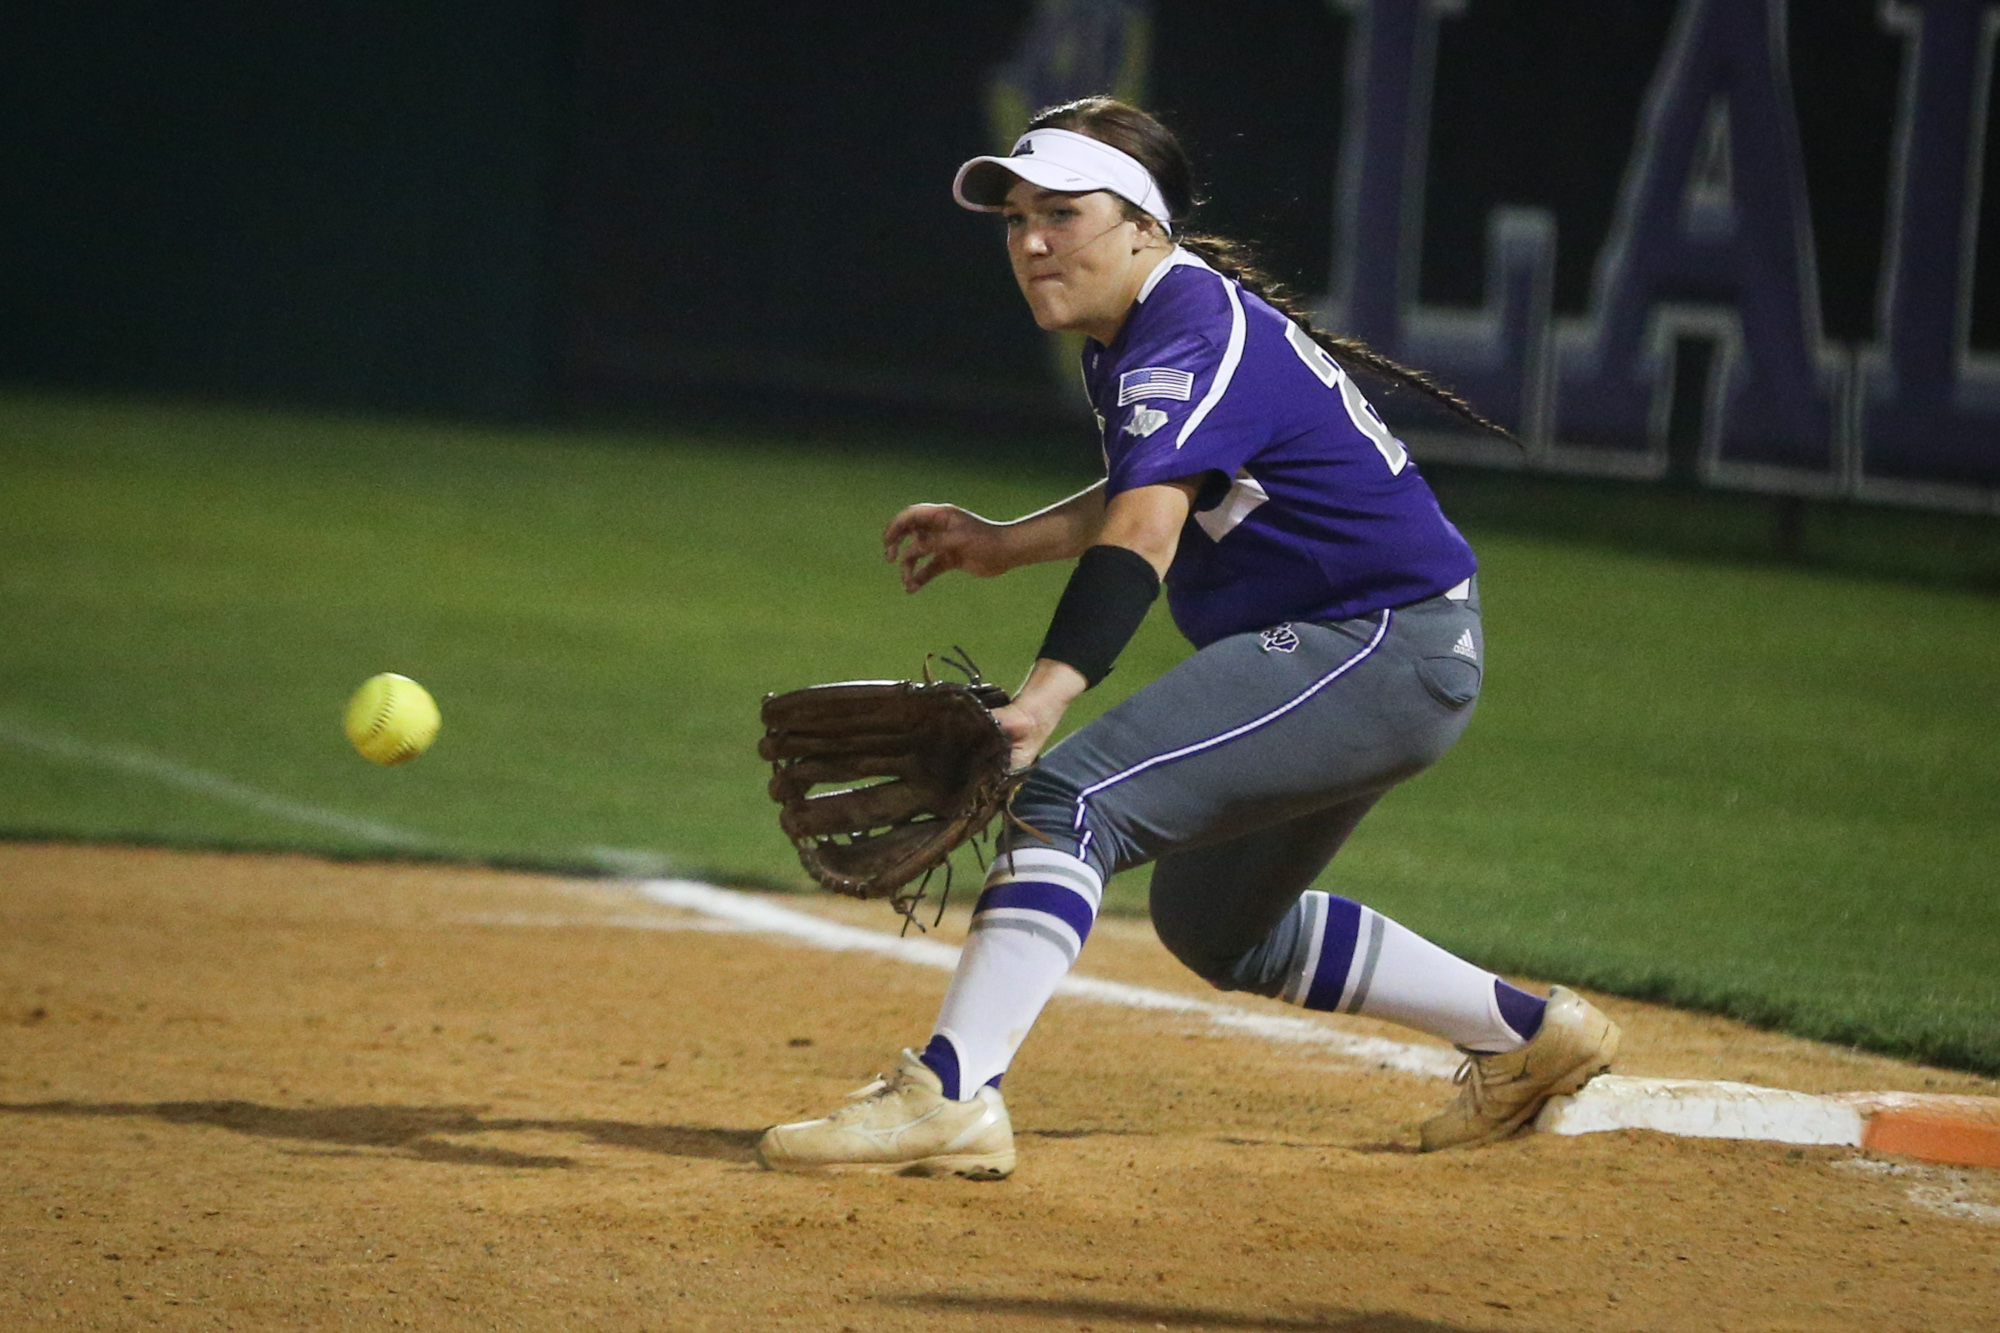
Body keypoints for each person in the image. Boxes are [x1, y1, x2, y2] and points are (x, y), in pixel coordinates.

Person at [756, 97, 1618, 1178]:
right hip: (1373, 652)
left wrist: (1042, 697)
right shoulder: (1142, 330)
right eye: (1015, 216)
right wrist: (1004, 542)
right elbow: (1156, 483)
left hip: (1374, 645)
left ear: (1142, 227)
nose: (1029, 241)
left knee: (1066, 800)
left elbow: (1145, 532)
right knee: (1219, 927)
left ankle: (952, 1090)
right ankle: (1528, 1036)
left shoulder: (1188, 325)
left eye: (1061, 214)